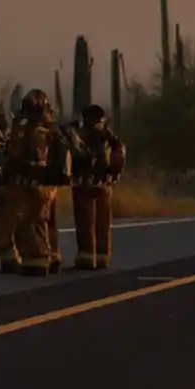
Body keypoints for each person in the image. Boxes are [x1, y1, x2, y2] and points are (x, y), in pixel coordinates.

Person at [0, 89, 61, 276]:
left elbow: (17, 157)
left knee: (31, 222)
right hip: (48, 185)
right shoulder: (51, 131)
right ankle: (53, 257)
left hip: (33, 184)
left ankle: (36, 261)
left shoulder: (32, 133)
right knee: (48, 221)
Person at [69, 104, 126, 270]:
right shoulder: (110, 138)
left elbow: (74, 155)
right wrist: (113, 177)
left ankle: (87, 255)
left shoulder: (80, 136)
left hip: (83, 185)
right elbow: (119, 159)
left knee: (85, 221)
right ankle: (102, 256)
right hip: (104, 185)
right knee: (103, 221)